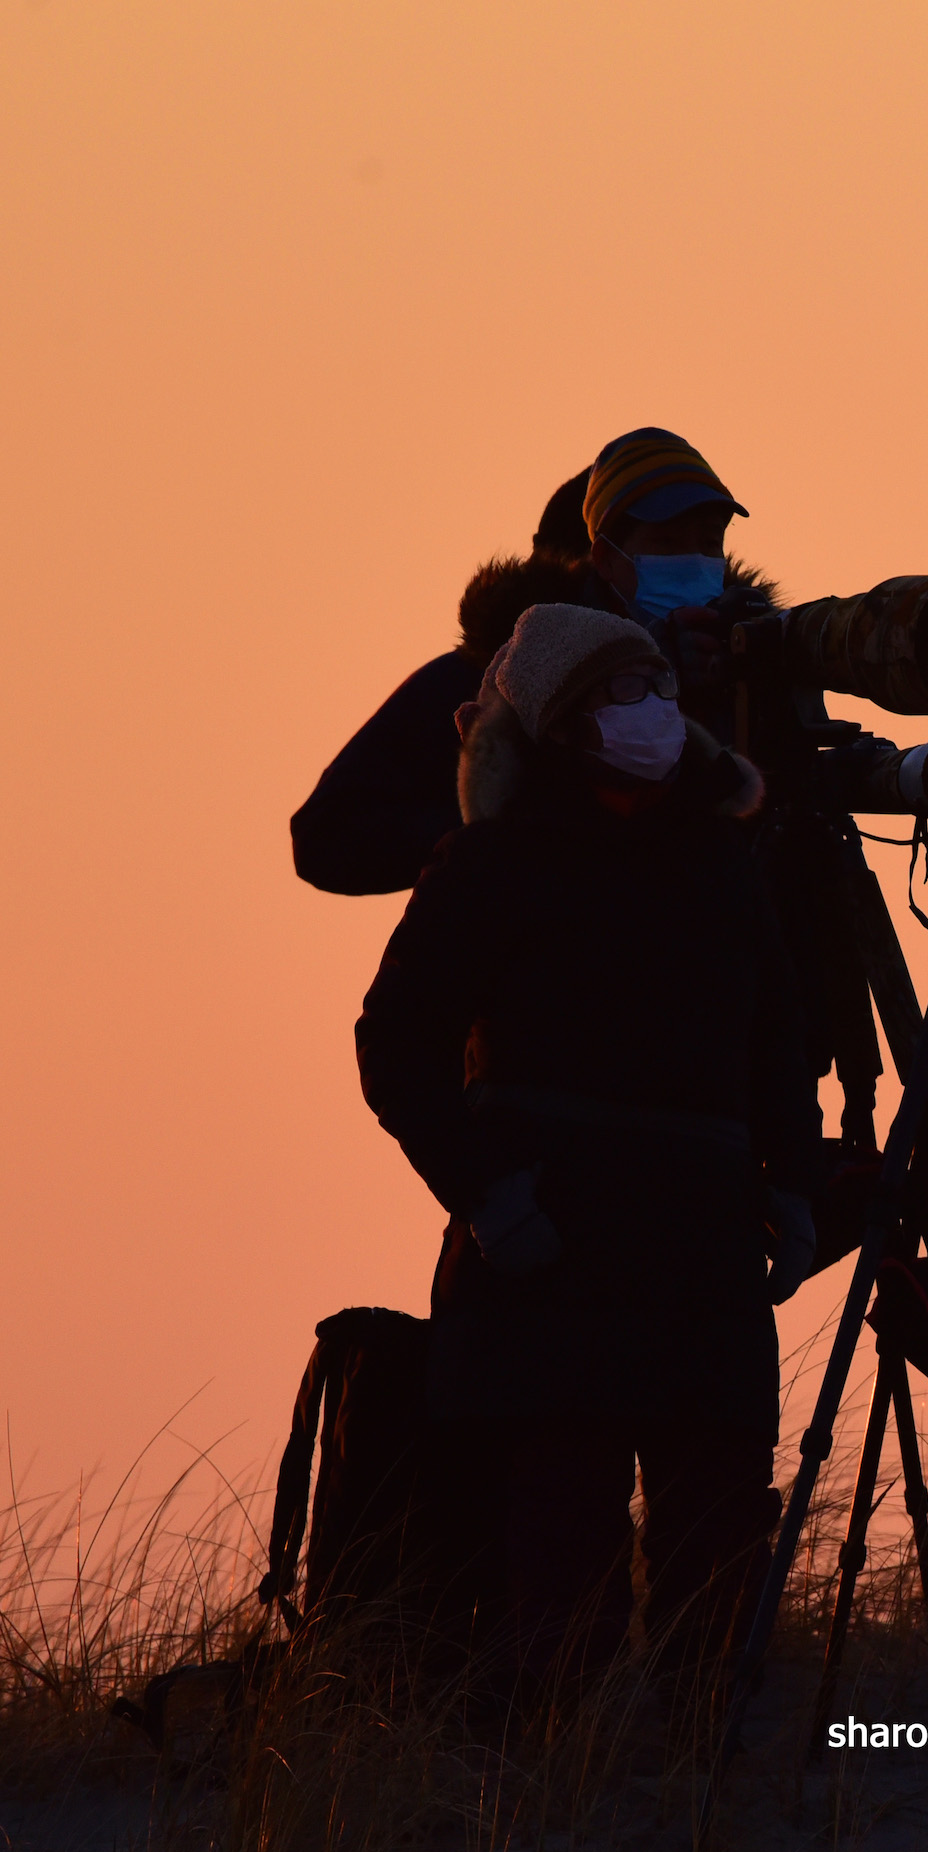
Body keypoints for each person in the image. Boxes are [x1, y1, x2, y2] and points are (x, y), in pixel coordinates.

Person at [354, 602, 821, 1688]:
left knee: (719, 1556)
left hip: (703, 1256)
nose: (653, 712)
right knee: (560, 1571)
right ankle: (561, 1802)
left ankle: (703, 1784)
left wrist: (792, 1186)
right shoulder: (493, 865)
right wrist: (488, 1196)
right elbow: (396, 1044)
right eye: (622, 694)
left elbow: (777, 1039)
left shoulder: (720, 860)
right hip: (550, 1260)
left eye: (660, 688)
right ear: (559, 724)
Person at [291, 431, 772, 895]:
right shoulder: (493, 680)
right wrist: (515, 823)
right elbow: (328, 836)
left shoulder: (750, 662)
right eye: (665, 543)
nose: (690, 562)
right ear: (600, 560)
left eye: (708, 543)